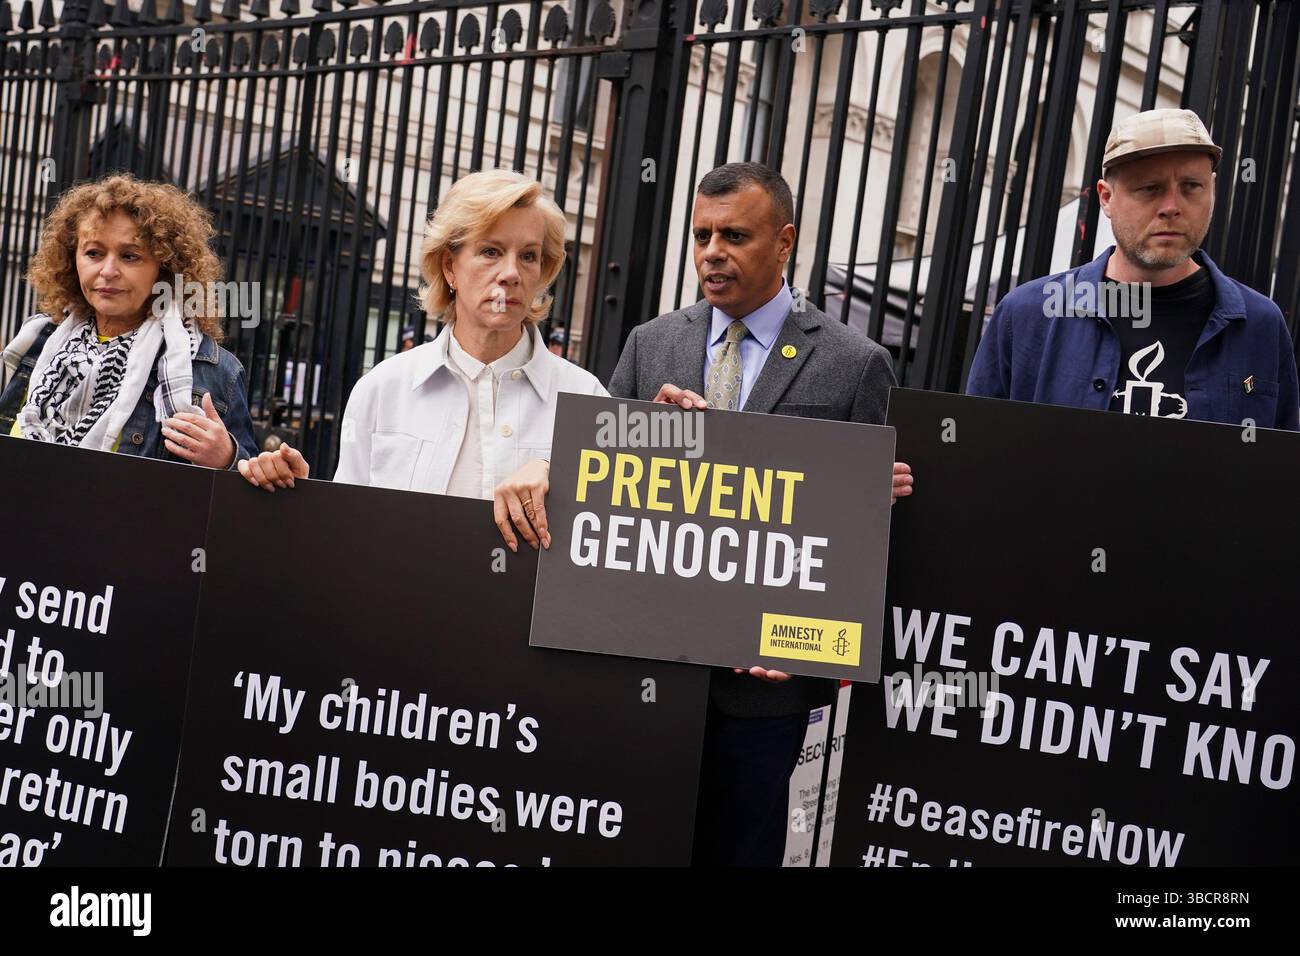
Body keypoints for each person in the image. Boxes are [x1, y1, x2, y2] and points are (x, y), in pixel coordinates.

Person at [607, 161, 912, 866]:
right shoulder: (650, 345)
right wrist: (649, 438)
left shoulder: (855, 363)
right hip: (651, 669)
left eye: (735, 235)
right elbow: (605, 489)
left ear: (784, 242)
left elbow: (868, 537)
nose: (712, 251)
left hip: (765, 693)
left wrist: (807, 640)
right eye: (702, 235)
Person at [264, 169, 607, 526]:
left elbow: (613, 538)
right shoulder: (384, 389)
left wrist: (559, 472)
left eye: (529, 256)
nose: (511, 273)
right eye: (491, 251)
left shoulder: (585, 398)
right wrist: (301, 495)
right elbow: (346, 528)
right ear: (450, 267)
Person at [968, 108, 1299, 430]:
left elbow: (1280, 471)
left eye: (1190, 187)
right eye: (1150, 188)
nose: (1171, 207)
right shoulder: (1028, 315)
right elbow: (975, 450)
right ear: (1106, 197)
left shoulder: (1259, 325)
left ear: (1212, 189)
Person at [0, 174, 258, 467]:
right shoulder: (35, 341)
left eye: (130, 256)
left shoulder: (209, 370)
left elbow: (248, 486)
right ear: (73, 260)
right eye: (94, 253)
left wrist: (227, 458)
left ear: (164, 269)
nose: (108, 270)